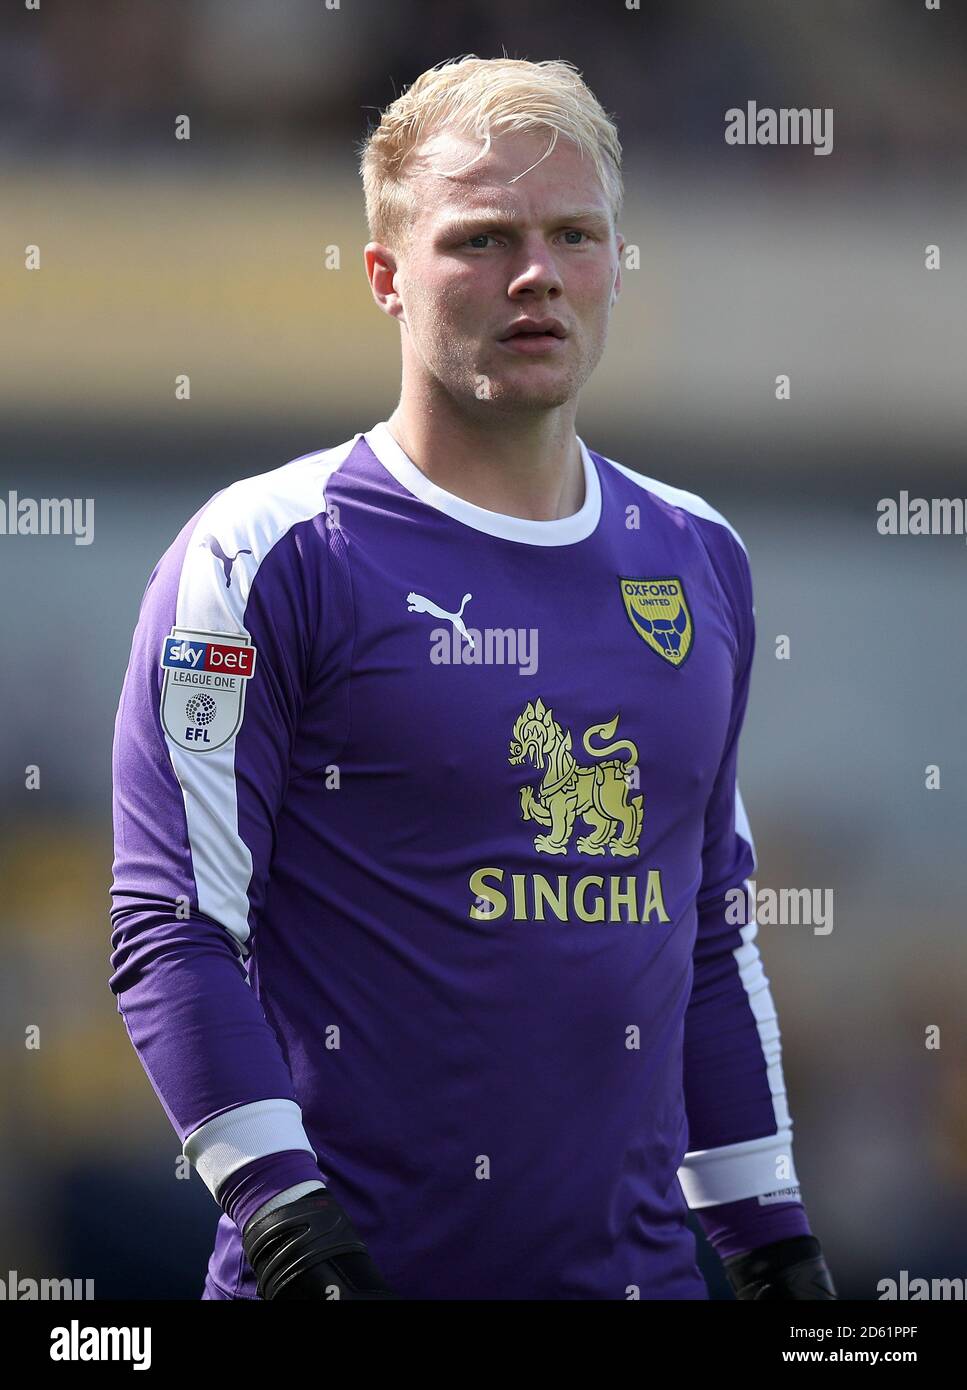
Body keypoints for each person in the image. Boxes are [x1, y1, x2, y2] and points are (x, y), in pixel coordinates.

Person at [109, 54, 835, 1301]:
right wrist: (288, 1228)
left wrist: (771, 1241)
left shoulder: (698, 554)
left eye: (575, 234)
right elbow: (172, 930)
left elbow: (705, 930)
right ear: (387, 277)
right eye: (484, 237)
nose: (537, 272)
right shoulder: (261, 551)